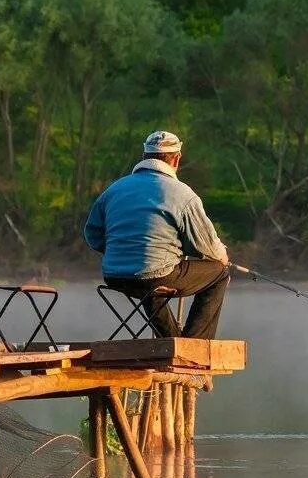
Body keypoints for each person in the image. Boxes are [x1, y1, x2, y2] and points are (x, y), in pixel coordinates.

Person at [84, 130, 230, 339]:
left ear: (144, 156)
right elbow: (206, 246)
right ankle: (195, 344)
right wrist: (222, 255)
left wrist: (123, 251)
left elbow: (92, 235)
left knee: (152, 278)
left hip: (114, 276)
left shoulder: (114, 189)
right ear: (176, 158)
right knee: (220, 272)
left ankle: (172, 341)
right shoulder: (182, 193)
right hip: (153, 276)